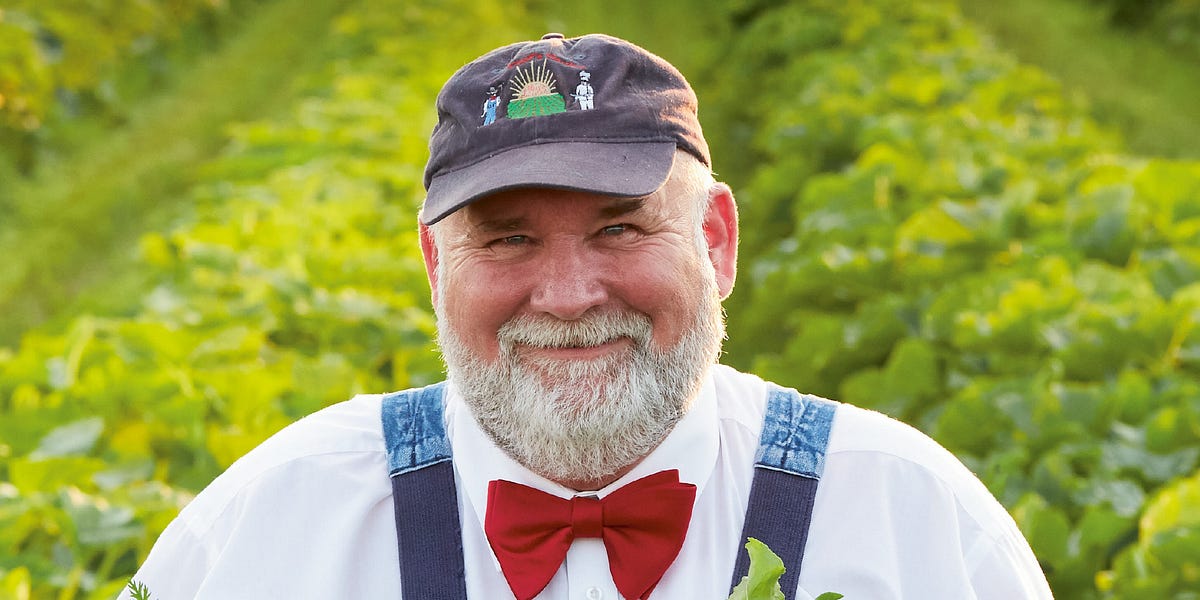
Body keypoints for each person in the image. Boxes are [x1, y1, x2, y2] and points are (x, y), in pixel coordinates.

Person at [121, 33, 1054, 599]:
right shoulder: (269, 524)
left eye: (620, 228)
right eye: (509, 240)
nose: (568, 297)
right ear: (435, 263)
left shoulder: (917, 520)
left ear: (718, 241)